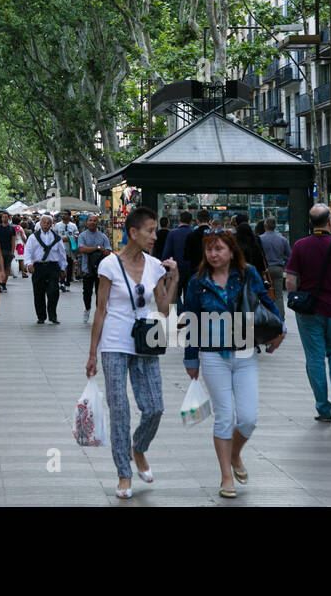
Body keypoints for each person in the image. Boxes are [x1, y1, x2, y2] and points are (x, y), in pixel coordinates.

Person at [183, 228, 285, 498]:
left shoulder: (247, 273)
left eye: (219, 249)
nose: (213, 254)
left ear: (231, 251)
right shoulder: (197, 282)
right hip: (213, 354)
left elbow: (265, 300)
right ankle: (225, 477)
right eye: (209, 249)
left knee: (249, 418)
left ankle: (236, 454)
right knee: (224, 416)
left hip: (244, 352)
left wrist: (279, 329)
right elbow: (190, 320)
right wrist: (191, 357)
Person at [87, 207, 180, 499]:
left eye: (155, 231)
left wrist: (173, 279)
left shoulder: (154, 266)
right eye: (150, 231)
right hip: (114, 342)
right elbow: (100, 310)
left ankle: (138, 447)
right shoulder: (109, 266)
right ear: (133, 233)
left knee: (155, 406)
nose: (155, 236)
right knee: (120, 410)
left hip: (146, 340)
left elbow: (164, 310)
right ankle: (123, 473)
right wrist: (92, 354)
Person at [284, 205, 331, 423]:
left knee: (314, 358)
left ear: (310, 222)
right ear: (330, 222)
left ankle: (323, 409)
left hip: (309, 311)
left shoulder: (300, 246)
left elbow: (290, 280)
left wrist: (296, 294)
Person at [26, 214, 67, 324]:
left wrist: (63, 268)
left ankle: (53, 316)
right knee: (38, 292)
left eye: (48, 223)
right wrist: (29, 264)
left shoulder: (57, 238)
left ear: (51, 225)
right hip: (38, 267)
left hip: (53, 267)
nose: (46, 225)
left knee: (54, 292)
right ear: (40, 223)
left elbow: (62, 253)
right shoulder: (33, 237)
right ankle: (41, 316)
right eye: (44, 222)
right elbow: (28, 251)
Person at [77, 214, 112, 323]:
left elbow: (108, 251)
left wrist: (103, 251)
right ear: (87, 222)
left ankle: (99, 312)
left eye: (95, 221)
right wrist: (97, 248)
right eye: (90, 220)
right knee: (86, 293)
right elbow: (82, 249)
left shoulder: (103, 236)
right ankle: (87, 309)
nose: (92, 222)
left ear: (98, 223)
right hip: (87, 268)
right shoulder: (82, 236)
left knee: (100, 292)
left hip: (100, 270)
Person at [258, 216, 291, 308]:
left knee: (263, 294)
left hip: (264, 270)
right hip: (278, 268)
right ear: (275, 226)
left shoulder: (260, 239)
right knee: (278, 295)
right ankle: (280, 318)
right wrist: (284, 266)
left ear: (265, 226)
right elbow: (289, 256)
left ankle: (266, 317)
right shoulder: (283, 240)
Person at [182, 209, 213, 299]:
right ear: (209, 221)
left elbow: (186, 256)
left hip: (195, 272)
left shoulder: (191, 236)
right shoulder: (214, 236)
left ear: (197, 221)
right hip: (211, 272)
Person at [53, 211, 80, 292]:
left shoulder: (73, 225)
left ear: (69, 216)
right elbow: (54, 236)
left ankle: (68, 283)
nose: (63, 215)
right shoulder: (57, 225)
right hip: (60, 249)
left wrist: (70, 238)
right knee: (61, 266)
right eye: (62, 214)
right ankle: (62, 282)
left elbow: (77, 235)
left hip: (70, 249)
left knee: (69, 266)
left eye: (65, 214)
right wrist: (60, 239)